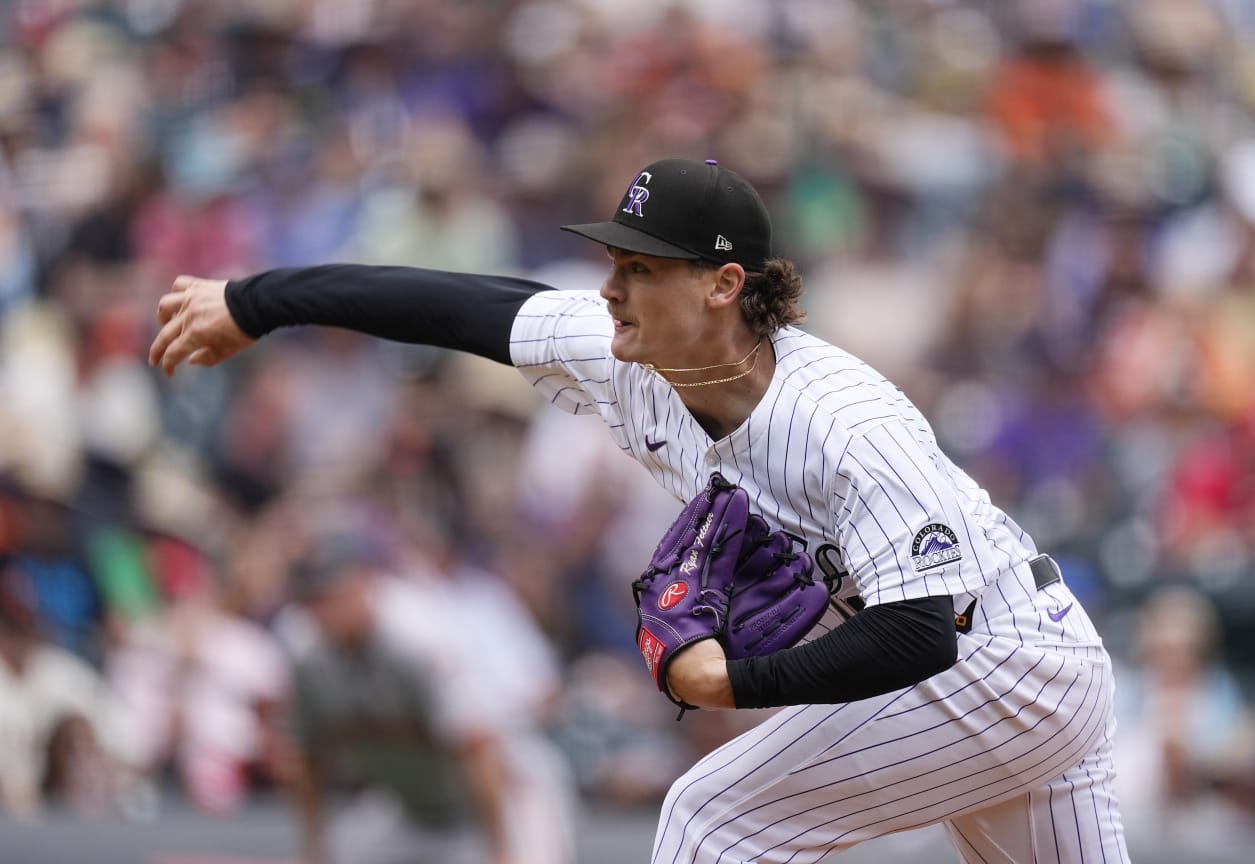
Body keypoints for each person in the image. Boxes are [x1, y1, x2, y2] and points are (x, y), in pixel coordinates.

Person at [150, 157, 1130, 863]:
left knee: (714, 819)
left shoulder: (842, 422)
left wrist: (734, 681)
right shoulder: (624, 350)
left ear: (722, 286)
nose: (612, 289)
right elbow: (459, 306)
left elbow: (920, 635)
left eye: (641, 270)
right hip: (1029, 668)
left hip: (1000, 663)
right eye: (615, 262)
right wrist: (258, 298)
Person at [274, 532, 525, 864]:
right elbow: (306, 758)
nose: (319, 610)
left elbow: (479, 749)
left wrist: (502, 851)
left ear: (363, 583)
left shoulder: (415, 637)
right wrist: (314, 848)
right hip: (410, 811)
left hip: (504, 804)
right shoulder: (307, 654)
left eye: (327, 595)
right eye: (309, 599)